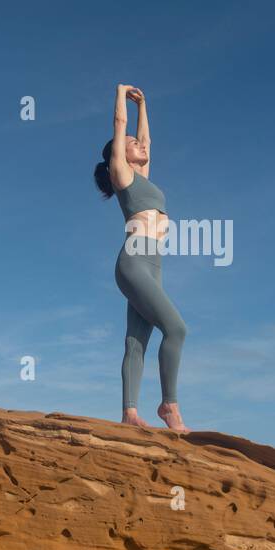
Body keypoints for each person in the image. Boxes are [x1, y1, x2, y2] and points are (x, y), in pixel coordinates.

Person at [93, 84, 188, 432]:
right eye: (132, 144)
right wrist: (120, 95)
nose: (139, 144)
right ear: (119, 155)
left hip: (153, 264)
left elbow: (146, 139)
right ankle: (169, 406)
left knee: (136, 342)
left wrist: (144, 105)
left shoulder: (143, 176)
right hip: (134, 261)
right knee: (176, 329)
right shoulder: (122, 174)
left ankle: (129, 413)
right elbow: (120, 126)